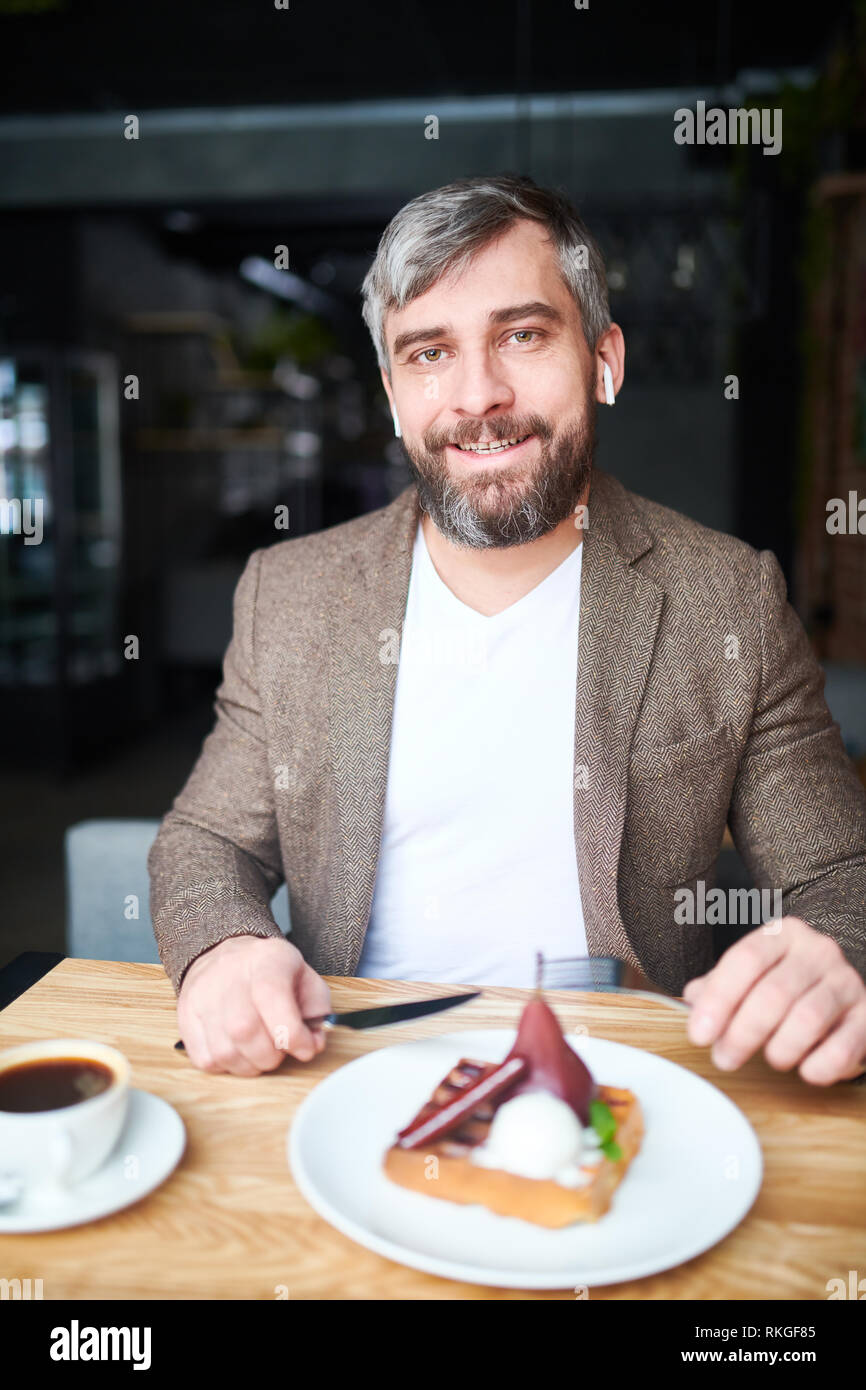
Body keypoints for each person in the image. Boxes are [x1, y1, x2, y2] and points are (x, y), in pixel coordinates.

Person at [148, 175, 866, 1084]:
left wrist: (842, 955)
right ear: (392, 390)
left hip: (625, 1086)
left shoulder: (727, 600)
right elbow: (206, 839)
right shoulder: (288, 596)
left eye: (521, 335)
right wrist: (222, 947)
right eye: (429, 353)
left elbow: (841, 872)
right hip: (345, 1073)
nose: (477, 394)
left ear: (603, 360)